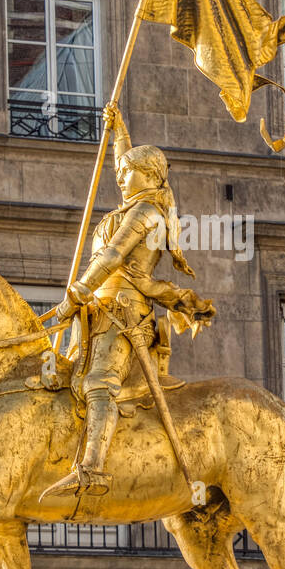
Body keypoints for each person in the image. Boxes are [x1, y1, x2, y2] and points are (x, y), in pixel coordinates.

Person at [43, 103, 214, 499]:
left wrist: (74, 296)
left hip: (123, 312)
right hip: (95, 310)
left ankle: (92, 470)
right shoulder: (131, 204)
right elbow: (125, 161)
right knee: (64, 379)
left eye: (128, 173)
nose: (120, 178)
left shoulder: (148, 213)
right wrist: (119, 131)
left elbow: (113, 257)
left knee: (99, 384)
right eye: (119, 172)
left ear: (151, 176)